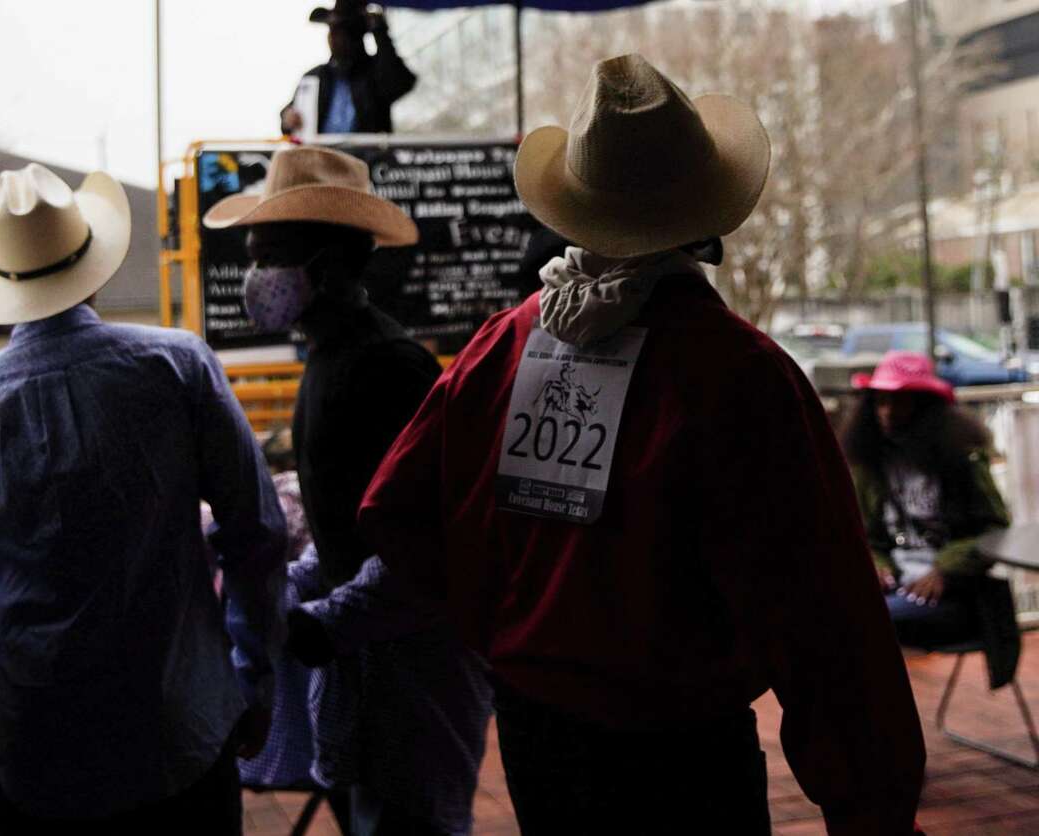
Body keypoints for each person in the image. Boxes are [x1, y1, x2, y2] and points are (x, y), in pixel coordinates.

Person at [357, 54, 927, 835]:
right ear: (707, 224)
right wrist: (872, 802)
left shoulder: (502, 345)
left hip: (535, 740)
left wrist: (511, 624)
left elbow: (396, 511)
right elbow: (821, 609)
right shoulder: (740, 375)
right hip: (682, 760)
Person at [0, 163, 287, 835]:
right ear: (89, 257)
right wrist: (255, 678)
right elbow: (256, 534)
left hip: (34, 762)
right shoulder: (178, 367)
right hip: (182, 731)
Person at [204, 145, 492, 836]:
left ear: (327, 266)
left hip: (414, 673)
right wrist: (297, 587)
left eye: (268, 256)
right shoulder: (330, 356)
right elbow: (347, 523)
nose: (255, 278)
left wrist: (323, 620)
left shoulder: (388, 369)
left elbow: (430, 541)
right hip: (362, 665)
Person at [843, 350, 1010, 647]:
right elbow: (865, 536)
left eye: (900, 400)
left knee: (860, 626)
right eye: (881, 401)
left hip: (954, 596)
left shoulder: (962, 460)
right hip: (894, 589)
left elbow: (995, 530)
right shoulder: (871, 465)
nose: (888, 411)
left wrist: (946, 569)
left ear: (927, 407)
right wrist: (877, 564)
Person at [280, 0, 416, 137]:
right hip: (322, 155)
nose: (334, 38)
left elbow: (399, 83)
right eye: (332, 30)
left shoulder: (374, 72)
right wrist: (288, 118)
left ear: (357, 36)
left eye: (342, 31)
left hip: (367, 156)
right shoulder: (316, 76)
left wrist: (380, 32)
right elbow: (291, 117)